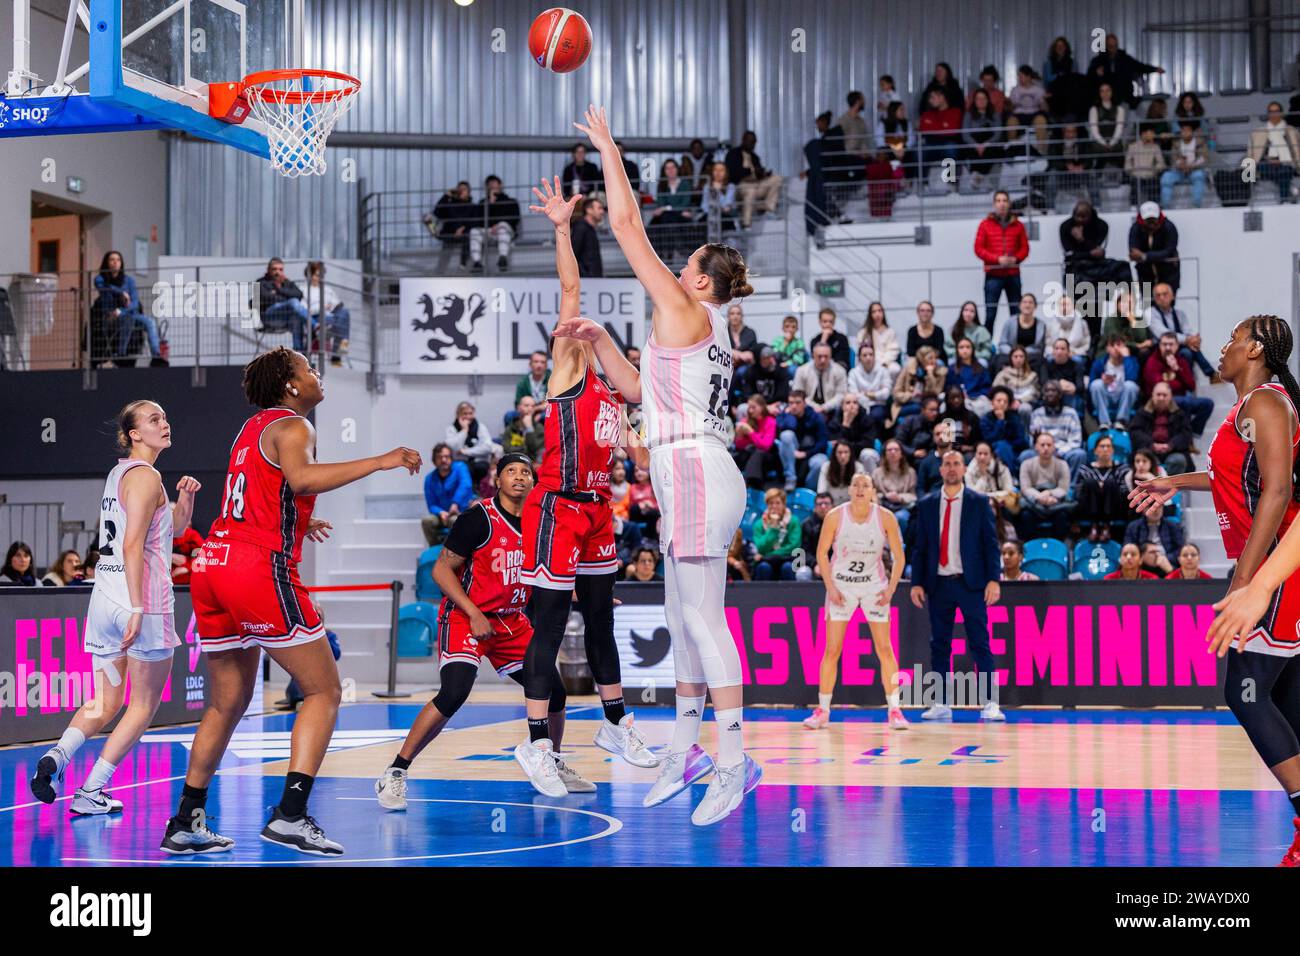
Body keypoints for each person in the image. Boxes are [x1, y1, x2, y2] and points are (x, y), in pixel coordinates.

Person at [560, 106, 760, 824]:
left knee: (706, 623)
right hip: (688, 467)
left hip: (698, 467)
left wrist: (610, 150)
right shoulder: (688, 331)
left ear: (702, 284)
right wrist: (602, 340)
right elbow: (640, 391)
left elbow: (624, 229)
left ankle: (735, 759)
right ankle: (685, 750)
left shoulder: (686, 308)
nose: (676, 272)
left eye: (687, 269)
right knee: (682, 618)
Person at [165, 349, 421, 855]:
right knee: (324, 691)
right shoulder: (294, 426)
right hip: (255, 568)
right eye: (308, 369)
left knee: (226, 702)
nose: (316, 374)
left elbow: (265, 494)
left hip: (212, 565)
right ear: (289, 384)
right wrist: (382, 460)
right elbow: (301, 480)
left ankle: (185, 820)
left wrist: (300, 521)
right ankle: (290, 815)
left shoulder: (250, 428)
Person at [514, 174, 658, 800]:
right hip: (554, 508)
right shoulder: (571, 365)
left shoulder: (616, 395)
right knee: (547, 625)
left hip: (599, 512)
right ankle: (537, 743)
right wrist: (562, 227)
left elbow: (642, 459)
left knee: (599, 620)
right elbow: (570, 286)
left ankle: (617, 722)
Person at [376, 455, 591, 808]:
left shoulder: (541, 523)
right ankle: (396, 770)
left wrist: (592, 597)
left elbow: (554, 572)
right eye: (511, 471)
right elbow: (442, 571)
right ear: (498, 479)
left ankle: (549, 760)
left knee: (555, 691)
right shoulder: (479, 518)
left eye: (526, 472)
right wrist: (473, 612)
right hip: (466, 615)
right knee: (454, 692)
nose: (519, 477)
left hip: (511, 621)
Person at [30, 401, 198, 817]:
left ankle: (57, 756)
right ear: (134, 433)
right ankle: (92, 791)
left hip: (104, 601)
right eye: (154, 419)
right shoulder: (145, 477)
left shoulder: (120, 473)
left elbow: (171, 529)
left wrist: (184, 499)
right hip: (141, 604)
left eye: (165, 416)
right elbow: (132, 545)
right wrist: (139, 607)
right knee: (142, 706)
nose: (165, 422)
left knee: (104, 704)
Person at [1183, 317, 1300, 867]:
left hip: (1279, 561)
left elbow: (1277, 490)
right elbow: (1232, 477)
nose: (1223, 347)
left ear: (1255, 349)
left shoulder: (1268, 405)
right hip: (1277, 560)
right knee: (1284, 698)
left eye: (1233, 338)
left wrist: (1245, 580)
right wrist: (1172, 483)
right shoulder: (1248, 407)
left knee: (1244, 690)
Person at [804, 474, 908, 730]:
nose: (860, 489)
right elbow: (821, 553)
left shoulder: (885, 517)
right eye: (856, 484)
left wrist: (891, 590)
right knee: (832, 649)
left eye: (866, 485)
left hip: (874, 587)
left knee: (885, 649)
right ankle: (822, 710)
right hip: (842, 587)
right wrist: (830, 587)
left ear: (873, 490)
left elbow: (899, 557)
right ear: (849, 489)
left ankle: (895, 709)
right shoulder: (835, 516)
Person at [910, 451, 1004, 721]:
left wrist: (993, 579)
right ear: (940, 470)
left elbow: (990, 544)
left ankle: (990, 702)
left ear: (964, 469)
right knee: (939, 644)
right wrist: (917, 582)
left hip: (970, 583)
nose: (951, 469)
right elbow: (921, 547)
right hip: (938, 583)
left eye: (956, 464)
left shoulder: (978, 501)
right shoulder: (927, 504)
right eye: (947, 465)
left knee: (980, 642)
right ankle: (940, 702)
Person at [95, 251, 166, 367]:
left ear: (121, 263)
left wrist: (121, 310)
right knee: (128, 319)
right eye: (112, 260)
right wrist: (121, 292)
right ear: (106, 263)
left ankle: (156, 356)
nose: (115, 263)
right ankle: (120, 354)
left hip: (127, 314)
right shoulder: (100, 279)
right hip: (110, 316)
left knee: (150, 321)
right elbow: (105, 288)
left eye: (118, 260)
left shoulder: (129, 281)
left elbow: (135, 302)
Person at [973, 191, 1029, 333]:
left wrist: (1015, 259)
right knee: (990, 314)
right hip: (993, 274)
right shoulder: (985, 225)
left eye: (1004, 200)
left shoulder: (1018, 225)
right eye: (998, 200)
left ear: (1009, 203)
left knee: (1016, 313)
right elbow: (978, 248)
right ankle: (987, 349)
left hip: (1013, 274)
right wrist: (997, 259)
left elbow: (1025, 248)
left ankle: (1017, 349)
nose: (1002, 204)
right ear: (994, 204)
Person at [1143, 332, 1215, 435]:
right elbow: (1160, 388)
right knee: (1184, 402)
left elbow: (1191, 386)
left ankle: (1193, 433)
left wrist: (1177, 369)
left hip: (1180, 399)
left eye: (1171, 344)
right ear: (1159, 346)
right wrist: (1179, 384)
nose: (1168, 348)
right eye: (1164, 344)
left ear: (1177, 346)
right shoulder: (1152, 362)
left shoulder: (1181, 362)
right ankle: (1186, 436)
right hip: (1159, 401)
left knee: (1207, 404)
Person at [1146, 281, 1217, 382]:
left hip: (1179, 345)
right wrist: (1187, 340)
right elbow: (1164, 334)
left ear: (1172, 296)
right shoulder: (1151, 313)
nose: (1161, 298)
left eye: (1165, 294)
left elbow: (1187, 331)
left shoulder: (1180, 314)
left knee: (1192, 348)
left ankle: (1207, 376)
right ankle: (1207, 375)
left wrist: (1193, 339)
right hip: (1161, 347)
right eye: (1158, 295)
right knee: (1187, 352)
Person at [1075, 434, 1132, 542]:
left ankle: (1106, 526)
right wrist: (1097, 487)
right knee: (1090, 483)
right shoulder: (1085, 469)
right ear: (1095, 451)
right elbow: (1078, 493)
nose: (1105, 449)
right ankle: (1094, 526)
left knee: (1110, 482)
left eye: (1108, 446)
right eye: (1102, 446)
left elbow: (1125, 492)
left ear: (1113, 450)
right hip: (1089, 506)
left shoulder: (1122, 468)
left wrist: (1105, 487)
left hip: (1114, 507)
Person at [1019, 431, 1076, 538]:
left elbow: (1063, 489)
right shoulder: (1026, 464)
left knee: (1063, 515)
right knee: (1025, 514)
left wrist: (1049, 493)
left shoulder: (1062, 465)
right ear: (1036, 447)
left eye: (1049, 445)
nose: (1046, 448)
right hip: (1034, 503)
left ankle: (1059, 548)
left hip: (1055, 502)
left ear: (1054, 447)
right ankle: (1029, 547)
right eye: (1042, 445)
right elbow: (1025, 488)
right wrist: (1040, 497)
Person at [1129, 381, 1193, 475]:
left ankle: (1170, 487)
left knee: (1179, 460)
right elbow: (1134, 432)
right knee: (1144, 461)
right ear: (1152, 395)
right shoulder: (1142, 412)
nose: (1161, 398)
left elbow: (1186, 434)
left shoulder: (1179, 413)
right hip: (1149, 449)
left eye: (1164, 395)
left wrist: (1170, 445)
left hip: (1172, 450)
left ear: (1170, 396)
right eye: (1158, 394)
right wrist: (1151, 444)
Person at [725, 129, 784, 228]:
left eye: (754, 142)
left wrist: (763, 174)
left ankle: (767, 208)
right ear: (743, 140)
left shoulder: (755, 157)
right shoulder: (733, 154)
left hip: (757, 184)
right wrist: (751, 171)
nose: (752, 144)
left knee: (777, 178)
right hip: (740, 187)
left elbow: (758, 173)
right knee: (750, 190)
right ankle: (746, 224)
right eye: (750, 141)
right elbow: (733, 173)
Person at [1087, 34, 1163, 108]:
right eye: (1110, 46)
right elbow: (1089, 77)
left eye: (1115, 46)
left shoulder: (1124, 59)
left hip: (1124, 98)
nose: (1113, 49)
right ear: (1106, 46)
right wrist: (1096, 73)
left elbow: (1139, 66)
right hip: (1106, 100)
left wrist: (1154, 69)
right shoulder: (1098, 61)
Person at [1247, 101, 1300, 204]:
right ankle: (1289, 193)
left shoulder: (1291, 131)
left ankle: (1284, 201)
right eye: (1271, 112)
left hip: (1286, 163)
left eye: (1276, 111)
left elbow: (1297, 151)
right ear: (1268, 114)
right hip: (1265, 163)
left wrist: (1281, 161)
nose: (1274, 114)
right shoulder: (1258, 132)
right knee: (1272, 170)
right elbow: (1251, 153)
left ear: (1281, 113)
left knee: (1284, 171)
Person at [421, 443, 474, 545]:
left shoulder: (460, 468)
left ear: (451, 458)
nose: (443, 460)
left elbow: (466, 485)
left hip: (461, 511)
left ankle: (459, 554)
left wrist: (455, 503)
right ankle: (436, 551)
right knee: (427, 521)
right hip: (442, 515)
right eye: (439, 457)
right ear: (434, 460)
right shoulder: (429, 479)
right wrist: (441, 513)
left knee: (455, 521)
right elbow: (431, 504)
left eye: (446, 456)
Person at [967, 441, 1020, 541]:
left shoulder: (1002, 468)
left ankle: (1008, 541)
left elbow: (1009, 490)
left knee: (1007, 512)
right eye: (979, 453)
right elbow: (972, 494)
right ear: (975, 454)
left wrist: (992, 498)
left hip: (1000, 504)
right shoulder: (969, 471)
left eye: (985, 454)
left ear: (991, 455)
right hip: (978, 505)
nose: (982, 457)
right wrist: (983, 477)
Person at [1089, 333, 1143, 427]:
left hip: (1124, 397)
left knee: (1131, 385)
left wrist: (1127, 358)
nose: (1116, 348)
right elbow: (1091, 385)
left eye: (1119, 345)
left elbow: (1133, 378)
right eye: (1112, 345)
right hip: (1106, 397)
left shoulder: (1132, 361)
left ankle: (1121, 421)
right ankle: (1104, 422)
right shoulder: (1100, 363)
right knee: (1096, 384)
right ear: (1107, 348)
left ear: (1125, 347)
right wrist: (1103, 381)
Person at [469, 175, 520, 274]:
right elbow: (478, 220)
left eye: (494, 183)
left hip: (504, 230)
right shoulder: (482, 203)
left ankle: (503, 258)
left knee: (503, 226)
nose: (492, 186)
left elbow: (514, 218)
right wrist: (490, 203)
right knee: (474, 231)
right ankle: (477, 262)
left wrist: (499, 224)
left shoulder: (510, 201)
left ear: (500, 185)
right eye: (489, 184)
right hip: (487, 231)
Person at [257, 257, 310, 351]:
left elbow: (299, 294)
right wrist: (287, 300)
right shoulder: (261, 282)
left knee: (296, 318)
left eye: (280, 269)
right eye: (274, 269)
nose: (277, 272)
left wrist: (278, 290)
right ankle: (314, 326)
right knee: (293, 302)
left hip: (285, 318)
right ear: (268, 270)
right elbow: (265, 297)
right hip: (269, 317)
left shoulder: (286, 282)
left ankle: (299, 354)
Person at [1128, 202, 1180, 294]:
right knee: (1147, 303)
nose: (1151, 224)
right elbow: (1133, 253)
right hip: (1145, 274)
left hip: (1168, 274)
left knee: (1167, 303)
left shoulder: (1169, 227)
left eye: (1154, 219)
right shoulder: (1136, 228)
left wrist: (1144, 256)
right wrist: (1156, 256)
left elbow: (1168, 251)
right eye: (1148, 220)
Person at [424, 180, 475, 272]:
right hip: (448, 233)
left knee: (467, 237)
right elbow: (437, 212)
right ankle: (435, 232)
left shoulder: (472, 206)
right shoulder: (450, 204)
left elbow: (474, 221)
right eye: (459, 189)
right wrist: (446, 196)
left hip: (464, 234)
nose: (461, 191)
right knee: (428, 218)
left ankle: (462, 264)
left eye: (464, 189)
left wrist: (462, 229)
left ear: (469, 192)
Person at [752, 487, 801, 581]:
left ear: (783, 504)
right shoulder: (759, 524)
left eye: (778, 503)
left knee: (787, 567)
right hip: (766, 562)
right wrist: (773, 529)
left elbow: (793, 546)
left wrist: (768, 555)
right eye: (771, 503)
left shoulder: (793, 521)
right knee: (763, 567)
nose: (774, 506)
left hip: (787, 559)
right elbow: (761, 547)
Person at [733, 393, 780, 488]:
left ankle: (752, 483)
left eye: (753, 407)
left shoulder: (771, 421)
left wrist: (751, 432)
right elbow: (739, 446)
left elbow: (765, 446)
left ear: (762, 407)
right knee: (740, 454)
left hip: (767, 457)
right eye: (749, 407)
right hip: (750, 455)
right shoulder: (746, 421)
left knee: (758, 453)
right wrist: (739, 436)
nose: (750, 410)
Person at [794, 342, 849, 417]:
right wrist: (815, 407)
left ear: (830, 356)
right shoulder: (801, 371)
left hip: (832, 409)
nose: (823, 360)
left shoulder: (840, 371)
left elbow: (841, 394)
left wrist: (825, 407)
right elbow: (798, 394)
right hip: (808, 408)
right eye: (819, 356)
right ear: (813, 356)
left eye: (826, 356)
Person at [1161, 121, 1209, 207]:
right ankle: (1165, 205)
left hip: (1194, 169)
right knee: (1166, 177)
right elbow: (1174, 157)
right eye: (1183, 130)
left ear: (1192, 132)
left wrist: (1192, 165)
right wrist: (1180, 164)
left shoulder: (1200, 142)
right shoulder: (1176, 143)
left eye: (1188, 130)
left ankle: (1196, 204)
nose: (1185, 133)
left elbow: (1204, 157)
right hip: (1179, 170)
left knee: (1199, 176)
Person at [980, 385, 1029, 468]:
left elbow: (1021, 439)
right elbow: (989, 440)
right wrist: (1000, 421)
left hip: (1014, 450)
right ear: (992, 402)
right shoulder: (986, 419)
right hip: (994, 451)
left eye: (1005, 401)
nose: (1002, 403)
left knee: (1028, 453)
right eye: (999, 400)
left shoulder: (1014, 417)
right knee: (1001, 445)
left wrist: (1009, 446)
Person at [848, 342, 894, 423]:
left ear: (874, 356)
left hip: (879, 405)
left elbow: (886, 393)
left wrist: (871, 395)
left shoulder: (883, 370)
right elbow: (854, 394)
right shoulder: (853, 373)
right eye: (865, 355)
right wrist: (875, 395)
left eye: (871, 354)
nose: (868, 358)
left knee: (876, 415)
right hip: (860, 405)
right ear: (859, 358)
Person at [949, 338, 993, 417]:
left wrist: (975, 396)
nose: (965, 350)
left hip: (977, 399)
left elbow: (986, 387)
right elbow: (949, 387)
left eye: (968, 347)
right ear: (957, 350)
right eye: (961, 347)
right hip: (958, 400)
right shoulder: (952, 369)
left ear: (973, 350)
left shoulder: (981, 368)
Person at [1124, 124, 1166, 205]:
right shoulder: (1133, 147)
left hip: (1150, 175)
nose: (1153, 135)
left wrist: (1154, 170)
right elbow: (1127, 163)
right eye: (1151, 133)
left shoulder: (1155, 147)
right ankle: (1134, 207)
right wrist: (1132, 171)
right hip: (1136, 176)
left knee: (1154, 183)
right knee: (1134, 184)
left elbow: (1161, 163)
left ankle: (1154, 206)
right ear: (1143, 134)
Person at [817, 439, 867, 505]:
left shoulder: (858, 467)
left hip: (852, 505)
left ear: (851, 453)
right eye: (839, 452)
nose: (843, 456)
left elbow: (861, 492)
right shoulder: (826, 467)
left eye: (846, 452)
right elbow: (821, 491)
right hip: (831, 506)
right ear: (834, 454)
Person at [808, 307, 853, 371]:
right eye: (825, 321)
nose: (828, 324)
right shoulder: (815, 340)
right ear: (820, 322)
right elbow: (816, 359)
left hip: (838, 371)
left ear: (834, 322)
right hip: (820, 371)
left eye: (830, 322)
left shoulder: (842, 338)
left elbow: (842, 359)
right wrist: (823, 340)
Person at [571, 196, 606, 277]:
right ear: (589, 210)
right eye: (599, 208)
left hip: (591, 279)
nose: (602, 212)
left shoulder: (589, 228)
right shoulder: (580, 228)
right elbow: (573, 254)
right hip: (586, 280)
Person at [951, 301, 994, 367]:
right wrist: (961, 353)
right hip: (958, 357)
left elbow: (987, 351)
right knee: (951, 362)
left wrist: (971, 354)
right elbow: (947, 348)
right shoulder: (954, 329)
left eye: (972, 311)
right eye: (966, 310)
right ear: (961, 312)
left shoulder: (982, 330)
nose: (968, 313)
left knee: (983, 363)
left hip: (977, 358)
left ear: (975, 314)